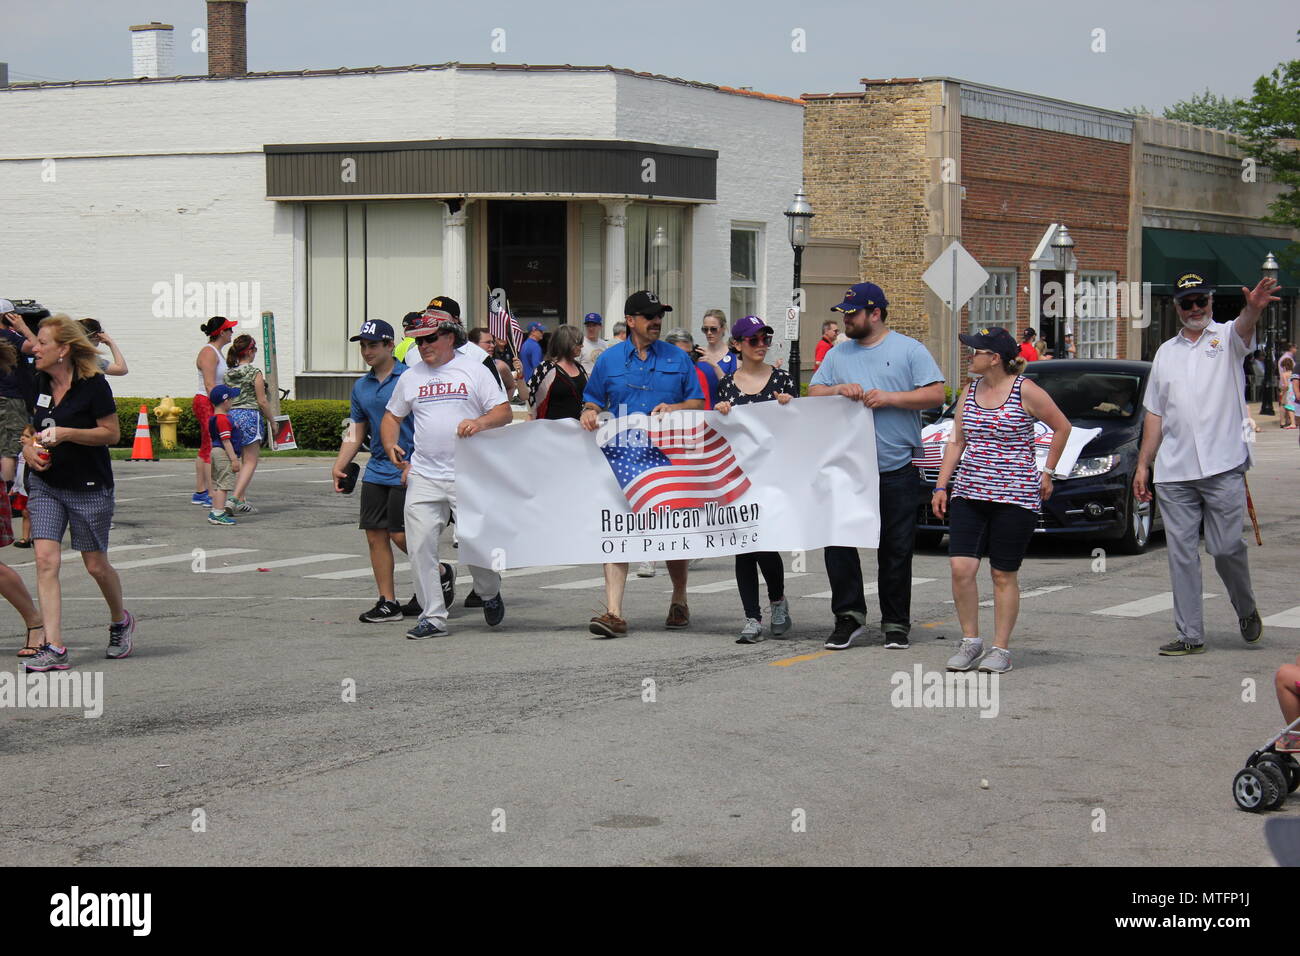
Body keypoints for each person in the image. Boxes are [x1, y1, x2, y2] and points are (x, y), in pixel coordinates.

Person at [1135, 271, 1279, 656]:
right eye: (1187, 303)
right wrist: (1143, 464)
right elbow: (1155, 414)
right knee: (1181, 553)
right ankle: (1190, 634)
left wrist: (1252, 310)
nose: (1195, 308)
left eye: (1202, 301)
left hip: (1223, 464)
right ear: (1177, 307)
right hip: (1175, 471)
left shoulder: (1228, 337)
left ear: (1212, 301)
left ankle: (1245, 607)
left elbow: (1246, 327)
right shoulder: (1165, 352)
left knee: (1226, 547)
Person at [809, 281, 945, 651]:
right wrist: (839, 389)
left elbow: (936, 393)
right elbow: (814, 392)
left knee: (896, 548)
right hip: (848, 468)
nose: (845, 320)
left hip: (895, 467)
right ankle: (848, 617)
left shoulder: (909, 350)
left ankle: (896, 622)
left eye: (852, 314)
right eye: (844, 314)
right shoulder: (838, 355)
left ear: (876, 313)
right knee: (838, 543)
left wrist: (890, 398)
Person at [931, 328, 1072, 675]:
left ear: (994, 357)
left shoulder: (1026, 390)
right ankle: (970, 641)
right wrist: (941, 486)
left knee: (1002, 573)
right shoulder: (970, 390)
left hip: (1015, 495)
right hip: (970, 492)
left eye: (974, 351)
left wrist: (1048, 471)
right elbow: (956, 441)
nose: (969, 357)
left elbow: (1062, 427)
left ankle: (1001, 649)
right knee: (961, 568)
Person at [381, 309, 512, 640]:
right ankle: (433, 616)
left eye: (429, 339)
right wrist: (390, 444)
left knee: (474, 542)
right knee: (420, 545)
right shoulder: (411, 376)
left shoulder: (474, 370)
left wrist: (479, 423)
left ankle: (488, 590)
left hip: (467, 472)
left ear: (450, 337)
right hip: (424, 473)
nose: (423, 345)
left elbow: (504, 411)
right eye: (418, 340)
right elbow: (392, 416)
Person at [580, 290, 704, 638]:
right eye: (649, 316)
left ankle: (679, 599)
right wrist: (588, 412)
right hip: (622, 458)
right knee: (617, 531)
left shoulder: (679, 359)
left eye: (660, 315)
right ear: (631, 321)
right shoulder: (608, 360)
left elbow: (698, 401)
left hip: (669, 458)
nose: (657, 321)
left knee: (674, 532)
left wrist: (676, 409)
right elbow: (592, 400)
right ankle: (614, 613)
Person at [20, 315, 134, 672]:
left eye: (42, 342)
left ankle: (120, 621)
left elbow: (111, 434)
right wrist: (27, 448)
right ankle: (54, 646)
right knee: (45, 560)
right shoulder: (36, 380)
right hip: (46, 484)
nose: (34, 347)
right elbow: (28, 428)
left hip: (88, 486)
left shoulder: (93, 384)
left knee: (95, 564)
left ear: (64, 350)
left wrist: (68, 433)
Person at [333, 318, 434, 624]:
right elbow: (356, 427)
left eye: (373, 345)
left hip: (410, 466)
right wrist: (340, 463)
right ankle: (387, 602)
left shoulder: (413, 377)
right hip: (376, 469)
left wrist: (420, 460)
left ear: (391, 345)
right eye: (363, 346)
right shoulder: (361, 386)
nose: (367, 351)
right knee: (376, 535)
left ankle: (439, 572)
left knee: (402, 535)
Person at [714, 315, 796, 643]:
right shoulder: (727, 386)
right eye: (753, 340)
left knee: (766, 543)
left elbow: (798, 430)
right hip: (738, 476)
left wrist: (790, 408)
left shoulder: (783, 382)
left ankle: (777, 601)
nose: (761, 345)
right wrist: (719, 412)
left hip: (773, 476)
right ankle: (751, 616)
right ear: (737, 345)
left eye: (765, 339)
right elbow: (717, 433)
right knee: (744, 547)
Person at [222, 334, 275, 514]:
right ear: (250, 351)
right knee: (250, 461)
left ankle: (240, 499)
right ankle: (234, 498)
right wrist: (273, 422)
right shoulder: (255, 373)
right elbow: (262, 401)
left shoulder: (228, 374)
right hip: (250, 416)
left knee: (238, 461)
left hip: (232, 416)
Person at [192, 316, 237, 508]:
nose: (232, 333)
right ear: (221, 332)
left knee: (206, 446)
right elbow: (210, 384)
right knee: (212, 447)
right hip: (207, 401)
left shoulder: (216, 352)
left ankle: (201, 491)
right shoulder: (209, 353)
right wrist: (220, 407)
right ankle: (210, 492)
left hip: (210, 401)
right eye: (229, 330)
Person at [0, 303, 37, 486]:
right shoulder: (8, 335)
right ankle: (8, 496)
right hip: (10, 398)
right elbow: (36, 348)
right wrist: (23, 328)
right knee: (10, 449)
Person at [529, 325, 588, 421]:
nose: (582, 346)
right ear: (567, 344)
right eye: (579, 343)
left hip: (578, 429)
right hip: (552, 430)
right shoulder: (546, 367)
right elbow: (530, 396)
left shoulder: (579, 367)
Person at [205, 384, 245, 526]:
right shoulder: (223, 419)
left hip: (216, 451)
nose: (233, 401)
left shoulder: (214, 418)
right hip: (224, 453)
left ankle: (215, 510)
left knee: (219, 484)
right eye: (232, 399)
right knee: (224, 484)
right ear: (226, 401)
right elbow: (226, 440)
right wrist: (234, 459)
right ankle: (219, 513)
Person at [664, 328, 716, 411]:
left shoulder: (697, 374)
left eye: (689, 354)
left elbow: (704, 414)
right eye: (682, 354)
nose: (686, 358)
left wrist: (674, 408)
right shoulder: (654, 369)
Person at [699, 309, 738, 383]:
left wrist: (715, 366)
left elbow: (734, 388)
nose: (709, 333)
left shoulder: (734, 355)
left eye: (713, 329)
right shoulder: (699, 354)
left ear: (723, 328)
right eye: (705, 329)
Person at [1279, 355, 1296, 429]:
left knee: (1289, 407)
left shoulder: (1284, 374)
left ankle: (1291, 423)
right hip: (1295, 390)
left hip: (1289, 392)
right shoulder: (1294, 373)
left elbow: (1286, 385)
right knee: (1295, 407)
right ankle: (1291, 421)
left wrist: (1282, 392)